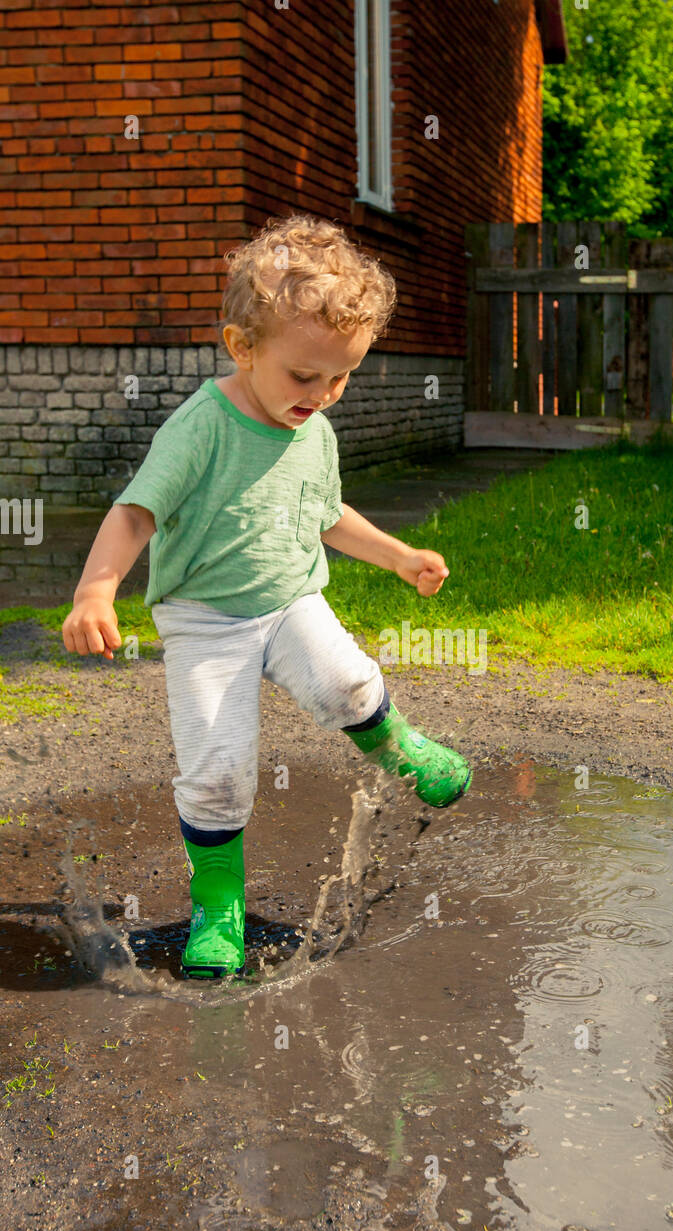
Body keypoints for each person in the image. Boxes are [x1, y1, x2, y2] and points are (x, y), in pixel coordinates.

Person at [62, 213, 472, 979]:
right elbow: (135, 510)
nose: (321, 395)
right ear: (242, 347)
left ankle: (398, 748)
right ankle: (219, 905)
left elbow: (326, 514)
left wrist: (399, 557)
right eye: (304, 376)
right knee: (217, 769)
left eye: (340, 377)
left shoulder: (313, 431)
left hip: (290, 601)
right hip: (204, 622)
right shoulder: (200, 429)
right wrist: (97, 590)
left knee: (348, 681)